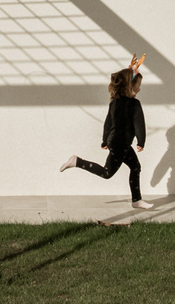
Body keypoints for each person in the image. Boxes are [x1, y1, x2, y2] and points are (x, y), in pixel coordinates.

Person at [60, 52, 152, 210]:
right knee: (108, 172)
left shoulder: (115, 102)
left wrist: (104, 140)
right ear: (130, 86)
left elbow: (108, 123)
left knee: (135, 166)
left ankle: (137, 200)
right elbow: (139, 124)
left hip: (115, 142)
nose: (140, 88)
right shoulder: (134, 104)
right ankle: (77, 161)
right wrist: (141, 141)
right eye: (138, 85)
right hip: (121, 143)